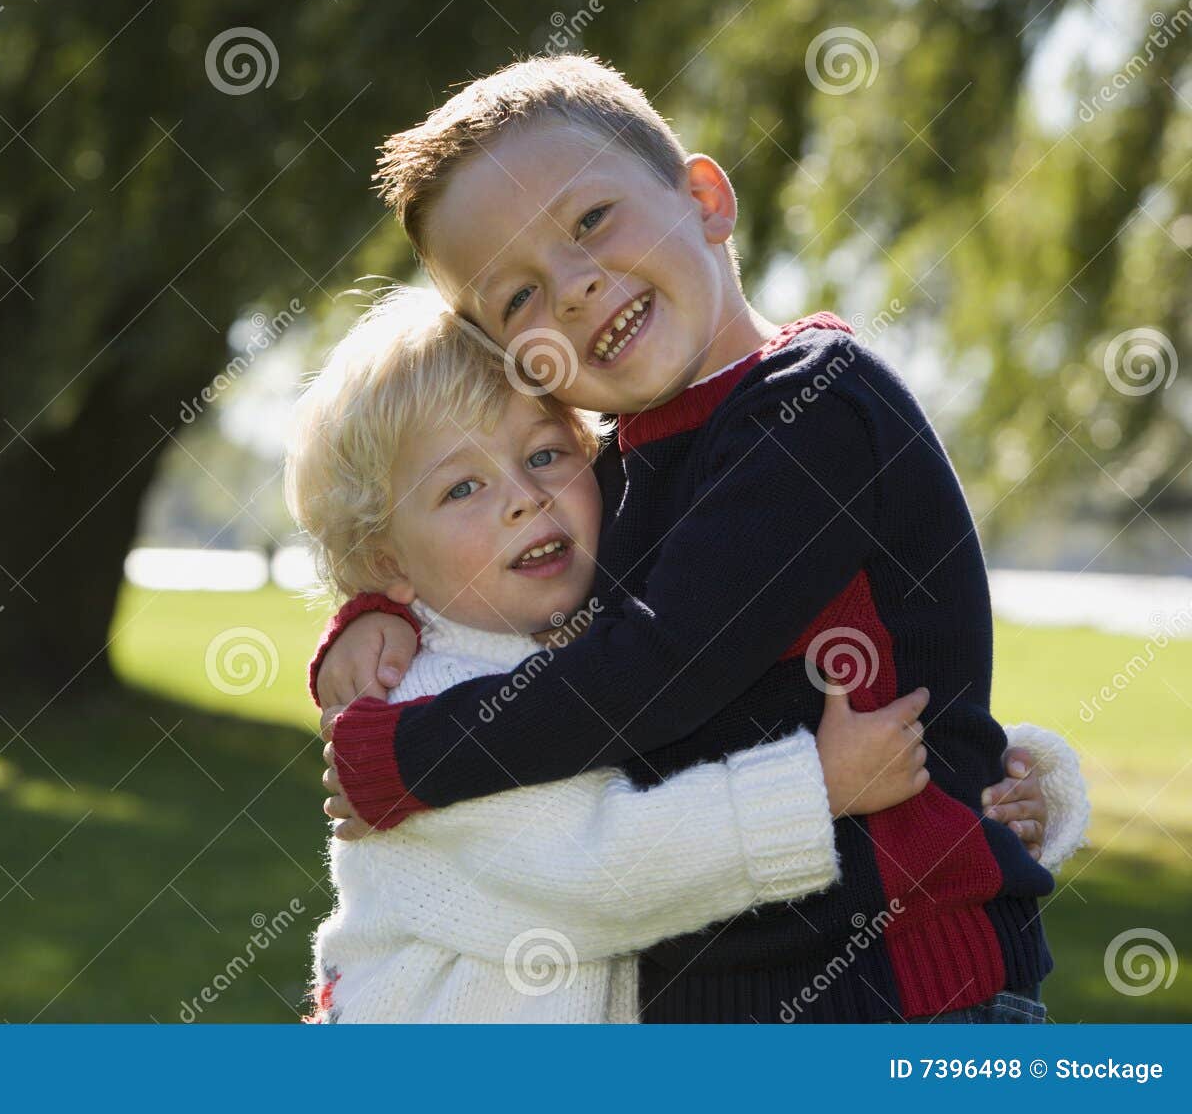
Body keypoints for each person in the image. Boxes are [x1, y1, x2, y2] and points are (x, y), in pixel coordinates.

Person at [313, 55, 1081, 1022]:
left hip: (897, 988)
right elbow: (517, 583)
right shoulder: (622, 471)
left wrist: (411, 757)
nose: (577, 288)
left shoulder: (812, 407)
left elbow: (656, 664)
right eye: (518, 297)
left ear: (707, 198)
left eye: (590, 221)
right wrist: (383, 610)